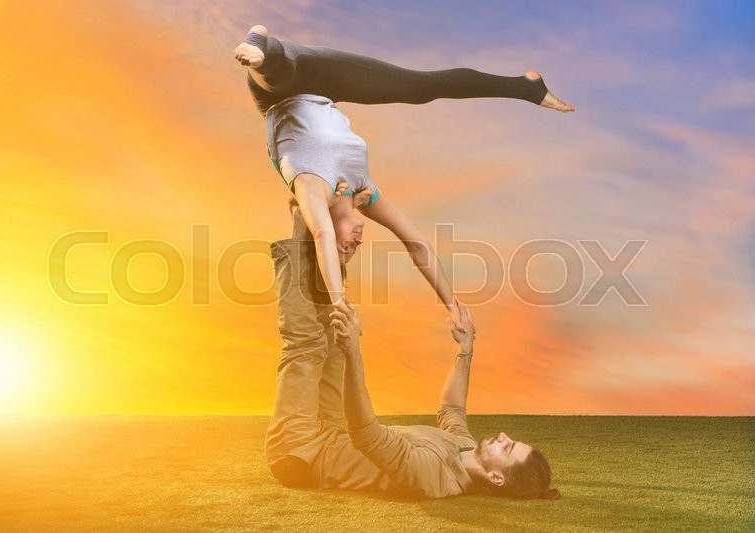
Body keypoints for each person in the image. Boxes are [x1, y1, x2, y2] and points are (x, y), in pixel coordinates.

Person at [235, 25, 575, 331]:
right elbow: (416, 244)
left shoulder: (311, 185)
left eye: (344, 248)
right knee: (419, 88)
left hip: (276, 93)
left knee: (276, 70)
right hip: (325, 85)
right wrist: (451, 303)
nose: (355, 245)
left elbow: (323, 232)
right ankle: (527, 88)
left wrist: (339, 302)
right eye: (351, 254)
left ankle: (258, 44)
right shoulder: (365, 192)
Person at [265, 206, 560, 499]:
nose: (504, 437)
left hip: (302, 453)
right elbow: (452, 410)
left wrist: (353, 349)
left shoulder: (431, 476)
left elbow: (366, 434)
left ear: (497, 477)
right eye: (512, 440)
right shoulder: (463, 445)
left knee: (306, 346)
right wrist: (466, 349)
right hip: (333, 430)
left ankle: (300, 227)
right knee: (330, 334)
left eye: (508, 448)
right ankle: (312, 231)